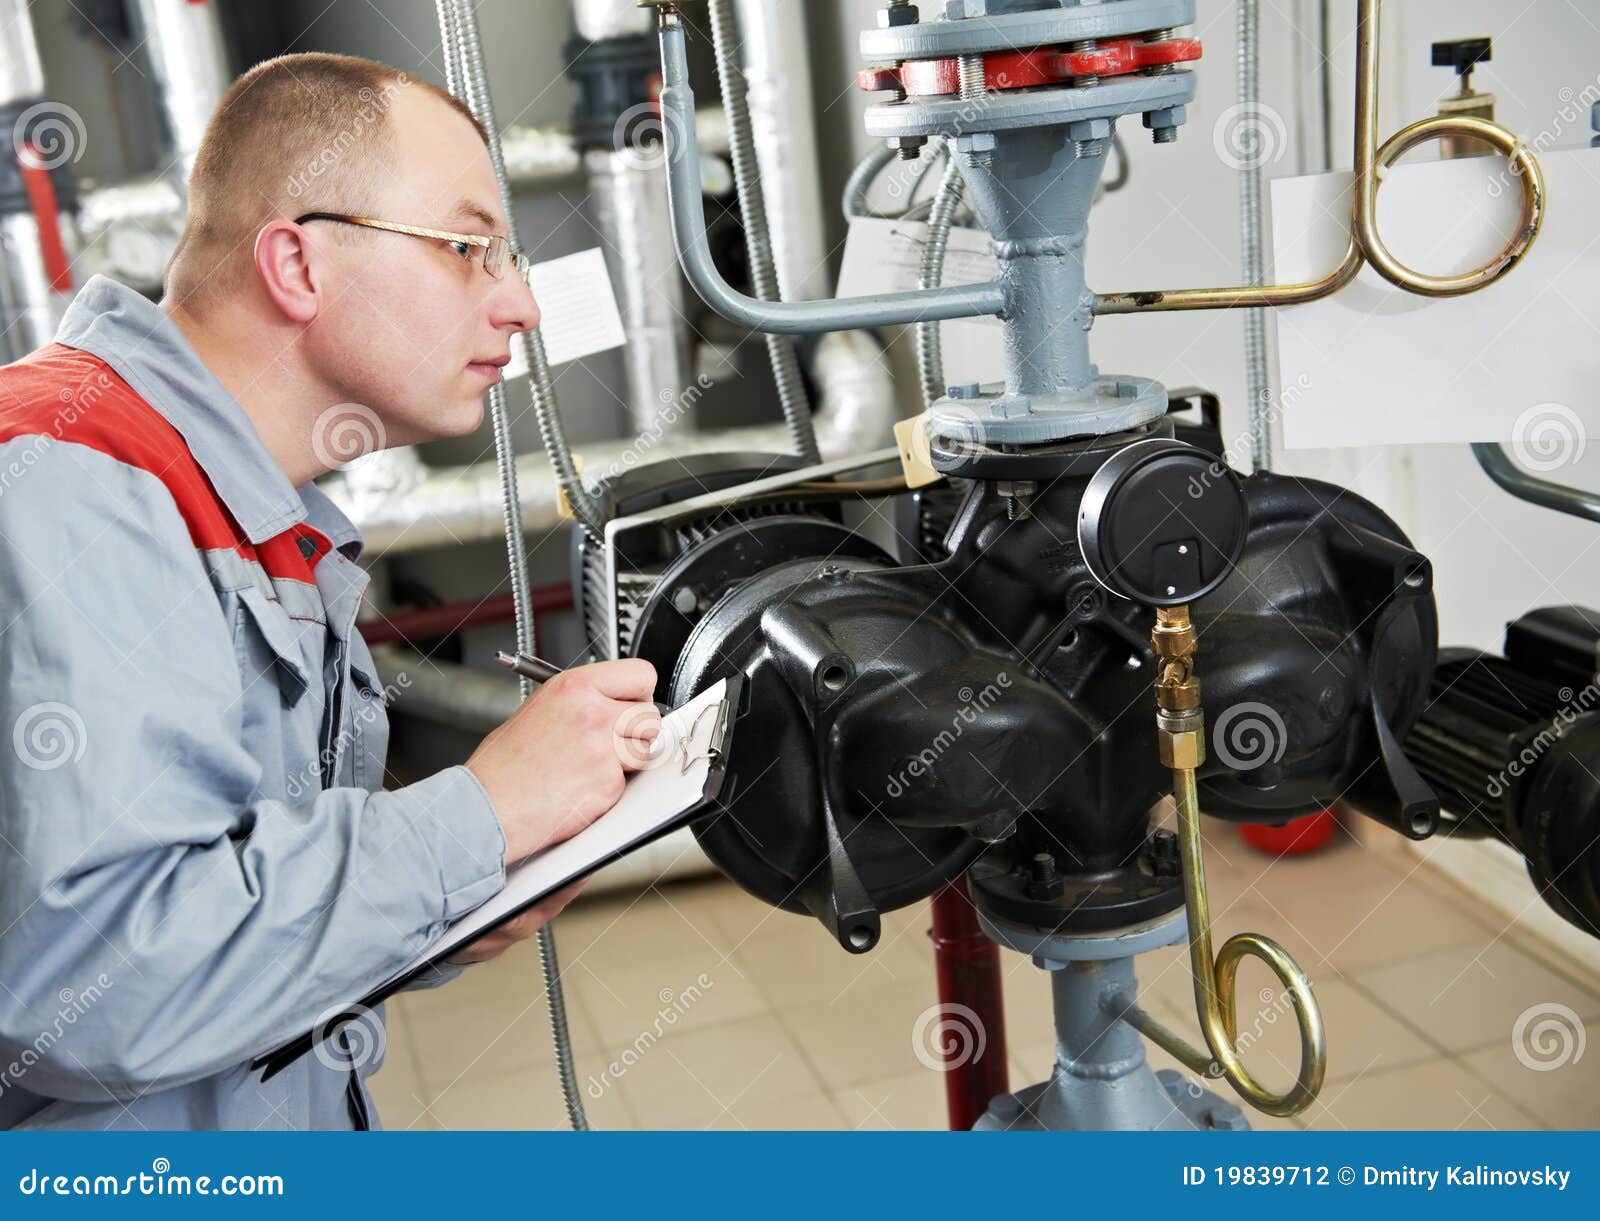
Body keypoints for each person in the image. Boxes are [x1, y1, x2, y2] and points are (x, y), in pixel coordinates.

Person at [0, 51, 661, 1130]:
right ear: (297, 265)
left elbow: (226, 910)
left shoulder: (247, 514)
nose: (522, 303)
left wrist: (462, 901)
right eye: (466, 248)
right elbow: (99, 982)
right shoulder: (67, 475)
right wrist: (478, 818)